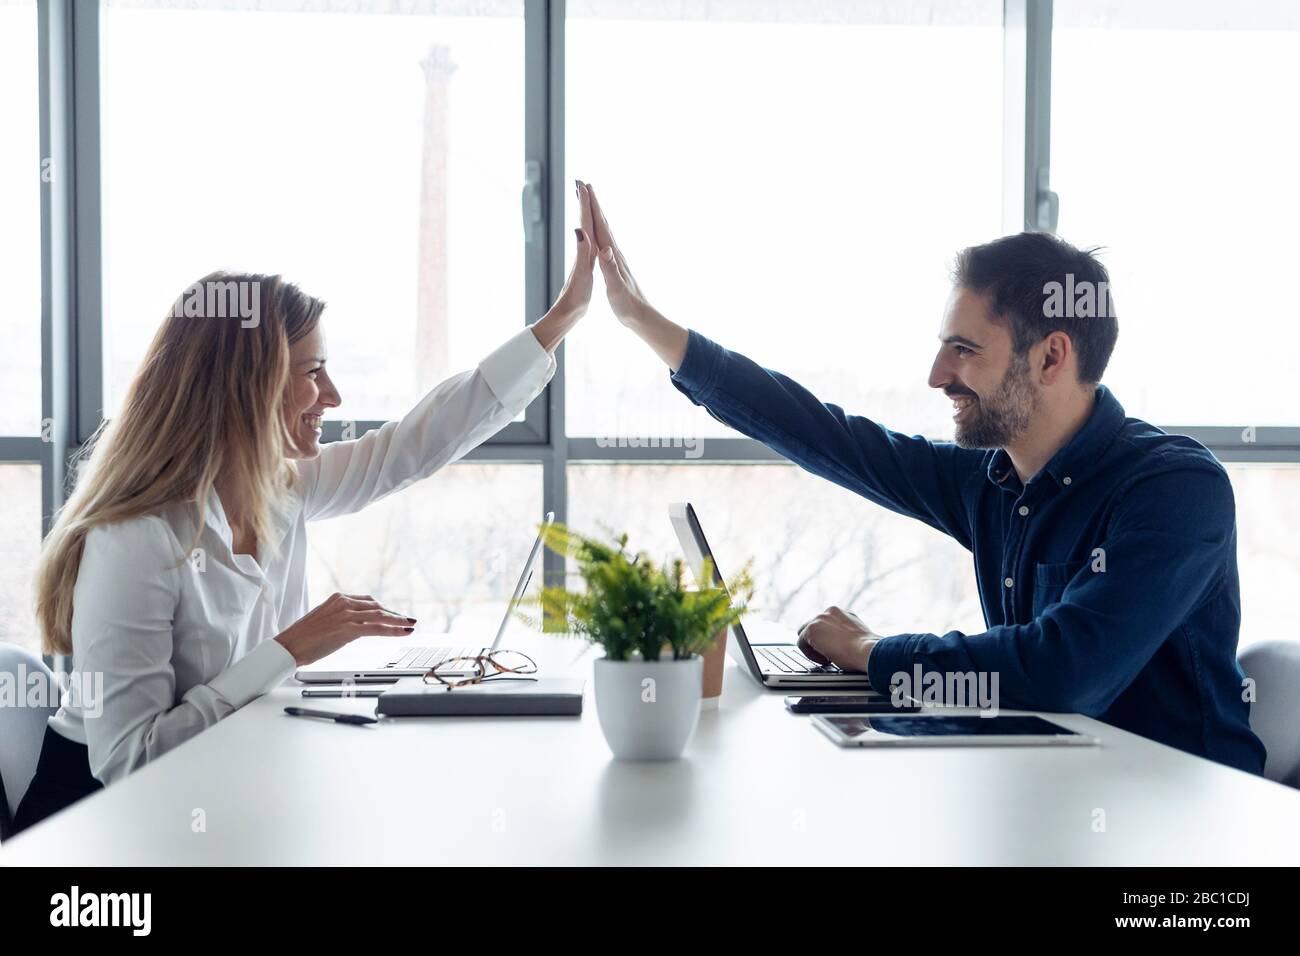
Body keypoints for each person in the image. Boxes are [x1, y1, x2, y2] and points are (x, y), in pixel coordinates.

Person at [580, 181, 1265, 775]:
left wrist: (875, 653)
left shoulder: (1174, 491)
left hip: (1182, 819)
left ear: (1052, 355)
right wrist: (647, 323)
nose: (938, 376)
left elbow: (1065, 671)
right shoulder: (995, 483)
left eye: (964, 351)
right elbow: (832, 437)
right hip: (1055, 783)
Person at [14, 188, 601, 832]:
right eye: (313, 372)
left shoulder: (283, 489)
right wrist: (291, 649)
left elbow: (413, 445)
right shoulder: (136, 538)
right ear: (246, 384)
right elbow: (132, 762)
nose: (333, 395)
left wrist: (562, 318)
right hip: (96, 832)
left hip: (214, 798)